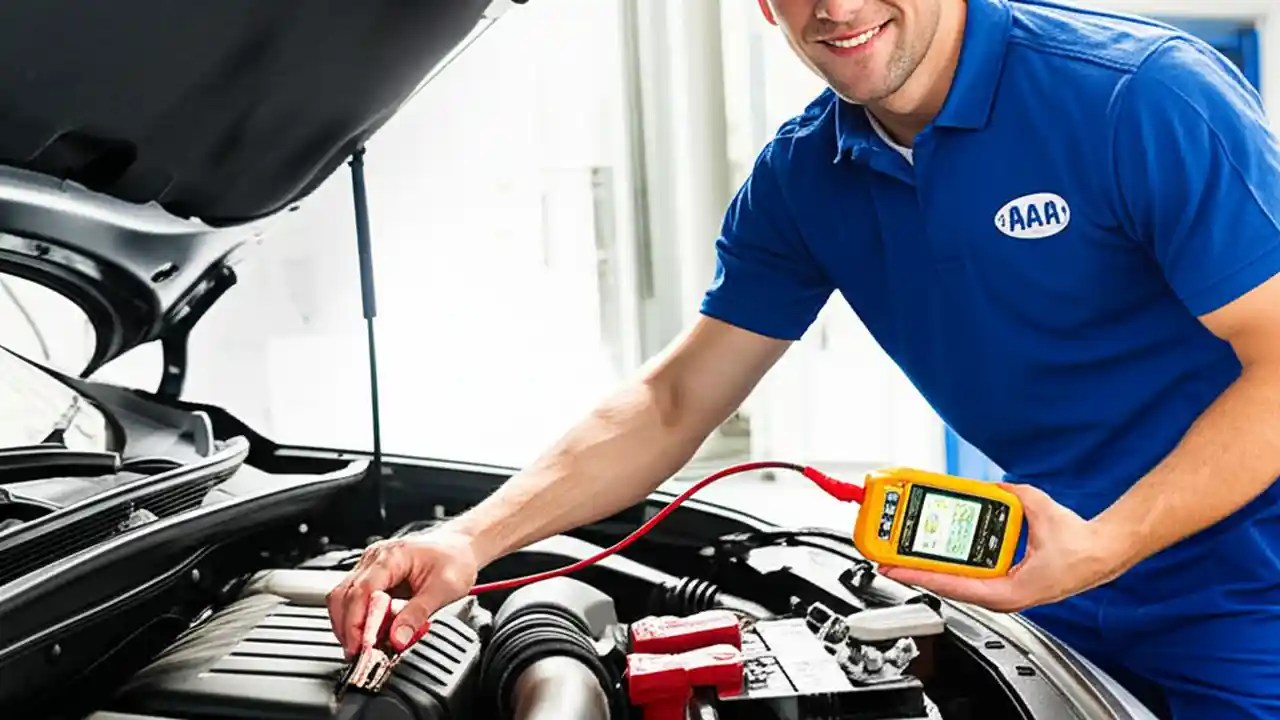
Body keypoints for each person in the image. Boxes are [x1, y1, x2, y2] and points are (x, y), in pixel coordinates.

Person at [329, 0, 1280, 716]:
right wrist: (470, 538)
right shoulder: (802, 179)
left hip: (1254, 597)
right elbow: (673, 401)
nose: (836, 6)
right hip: (1047, 594)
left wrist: (1105, 546)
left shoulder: (1138, 95)